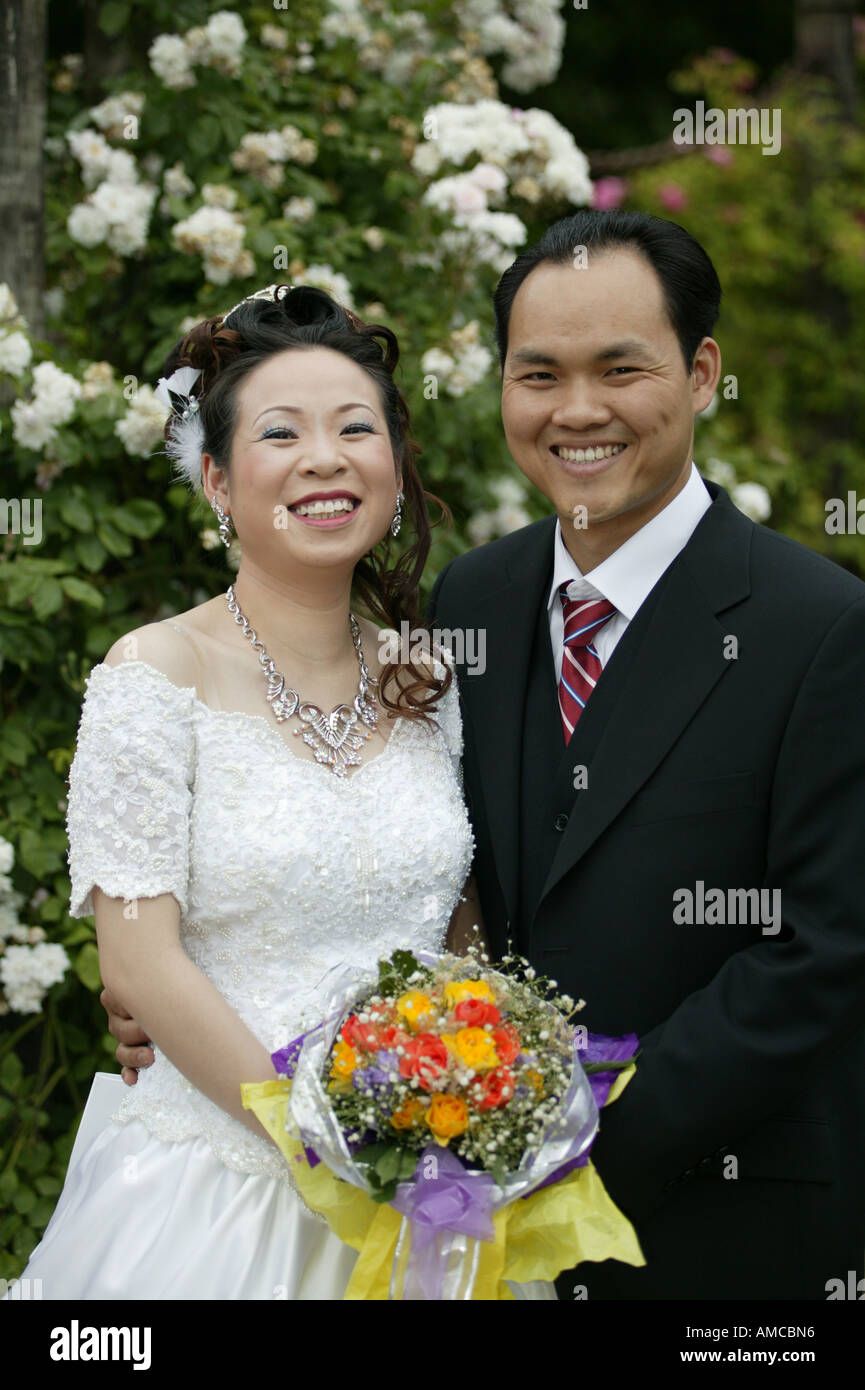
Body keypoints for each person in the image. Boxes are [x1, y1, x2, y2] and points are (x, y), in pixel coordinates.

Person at [12, 284, 550, 1301]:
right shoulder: (151, 676)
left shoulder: (431, 680)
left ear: (393, 463)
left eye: (357, 428)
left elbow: (459, 922)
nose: (325, 458)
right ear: (216, 478)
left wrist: (463, 1099)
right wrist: (320, 1137)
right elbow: (138, 958)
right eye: (280, 433)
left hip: (424, 1183)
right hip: (218, 1188)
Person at [424, 210, 865, 1300]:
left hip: (724, 1228)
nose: (577, 411)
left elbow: (825, 946)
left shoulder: (820, 626)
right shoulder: (471, 597)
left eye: (621, 368)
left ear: (702, 371)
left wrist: (575, 1139)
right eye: (539, 375)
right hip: (484, 1228)